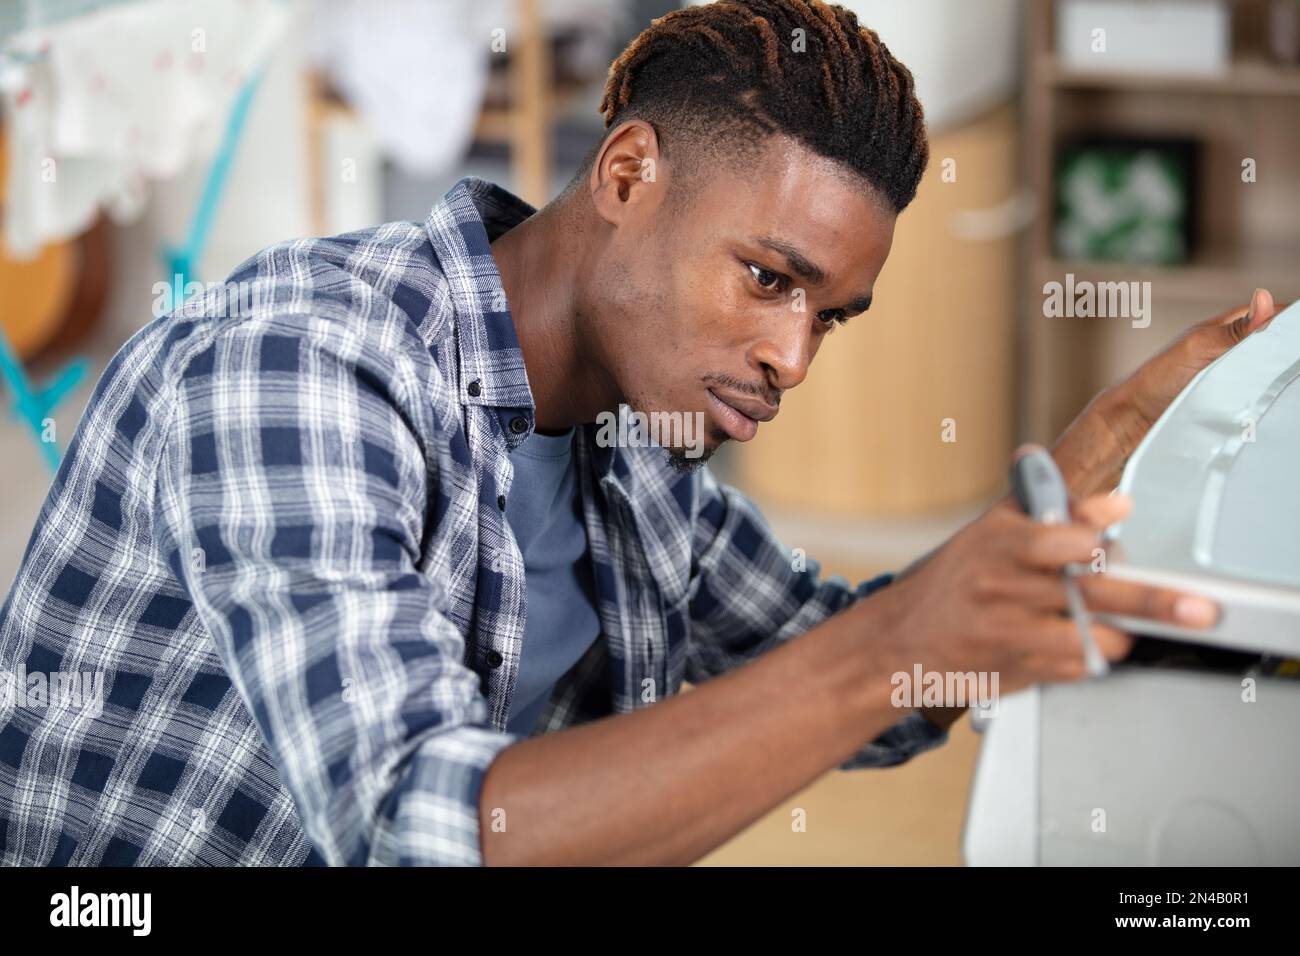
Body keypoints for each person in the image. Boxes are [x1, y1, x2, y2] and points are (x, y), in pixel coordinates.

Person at [0, 0, 1281, 866]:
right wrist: (893, 647)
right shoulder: (304, 364)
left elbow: (860, 683)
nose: (792, 356)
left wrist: (1089, 465)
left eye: (830, 315)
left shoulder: (628, 445)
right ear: (625, 175)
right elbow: (411, 821)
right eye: (769, 278)